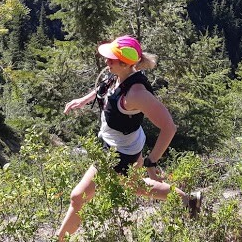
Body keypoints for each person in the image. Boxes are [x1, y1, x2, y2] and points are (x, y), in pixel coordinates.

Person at [56, 35, 202, 240]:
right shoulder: (119, 76)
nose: (106, 62)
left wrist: (152, 161)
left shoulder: (136, 94)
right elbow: (104, 89)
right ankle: (188, 201)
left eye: (112, 59)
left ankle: (58, 239)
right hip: (126, 145)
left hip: (119, 154)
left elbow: (169, 127)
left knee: (77, 197)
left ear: (126, 64)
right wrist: (83, 100)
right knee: (135, 187)